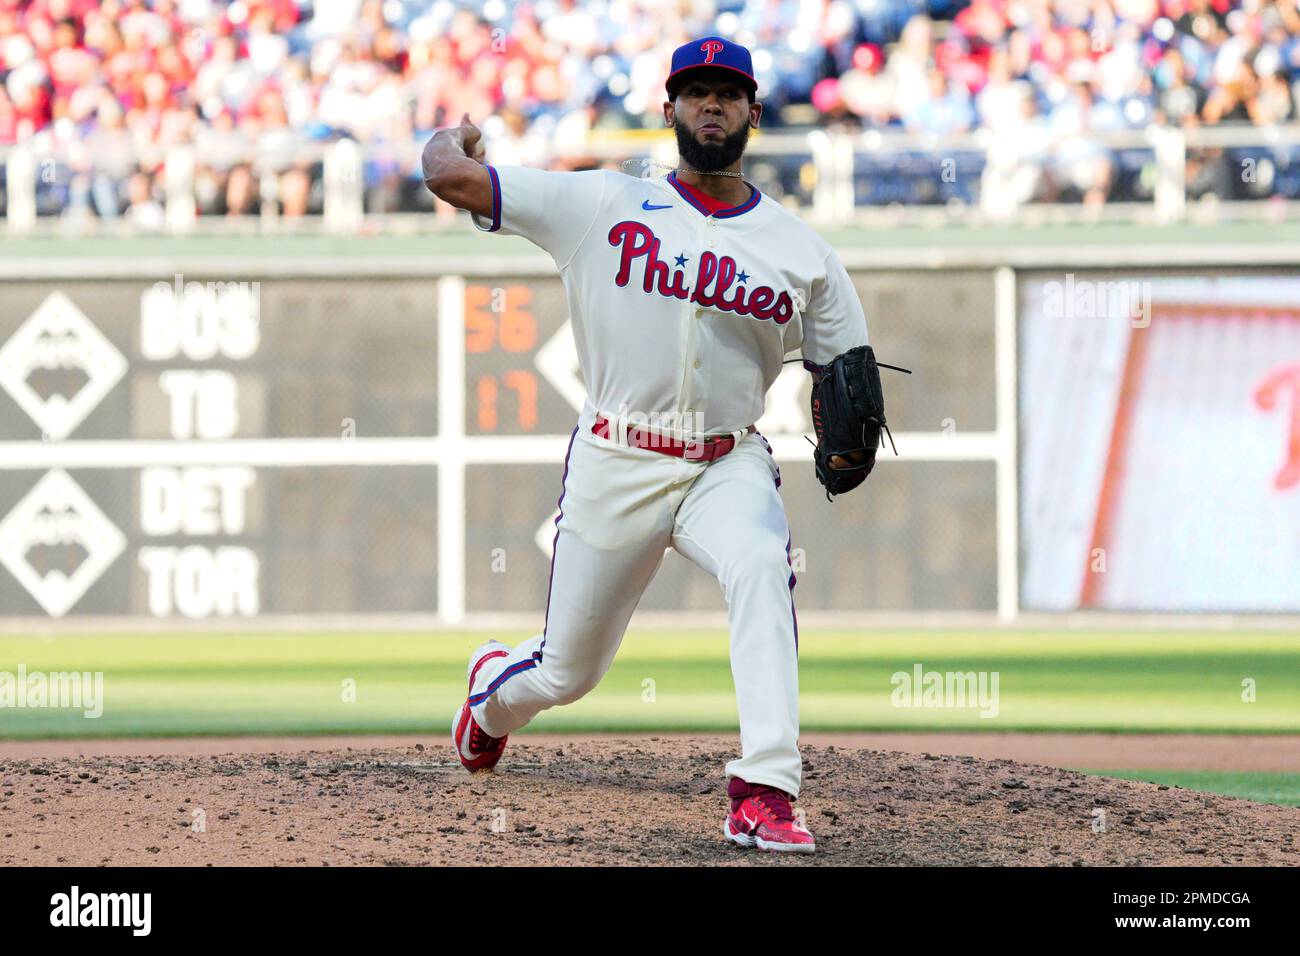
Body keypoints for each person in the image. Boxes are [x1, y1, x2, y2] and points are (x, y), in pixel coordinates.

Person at [423, 36, 880, 854]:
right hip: (616, 457)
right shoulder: (601, 204)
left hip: (726, 461)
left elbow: (842, 367)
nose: (712, 104)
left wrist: (838, 414)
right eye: (696, 91)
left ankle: (766, 789)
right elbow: (445, 176)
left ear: (753, 113)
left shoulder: (802, 252)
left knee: (761, 571)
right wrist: (454, 142)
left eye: (729, 93)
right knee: (568, 672)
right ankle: (490, 697)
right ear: (668, 110)